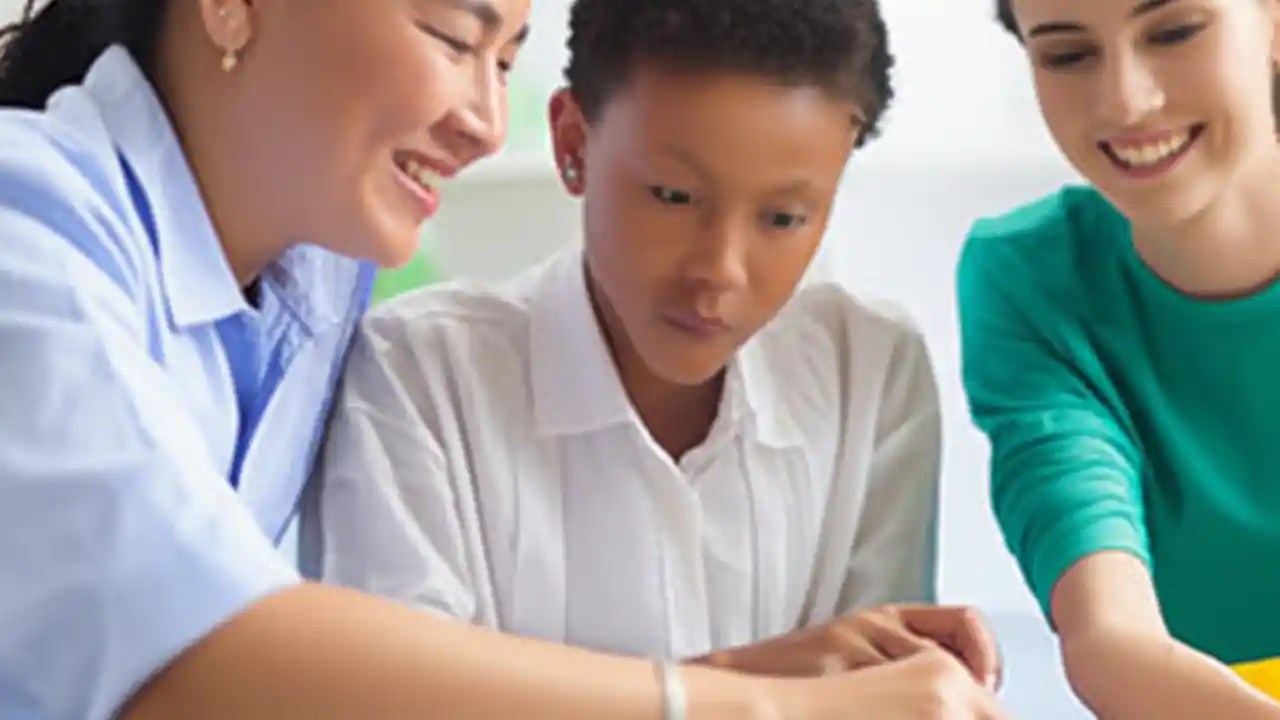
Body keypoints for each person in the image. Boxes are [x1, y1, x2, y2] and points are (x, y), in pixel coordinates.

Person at [0, 0, 1002, 717]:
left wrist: (748, 672)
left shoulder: (306, 287)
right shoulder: (25, 225)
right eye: (451, 37)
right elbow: (187, 662)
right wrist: (755, 706)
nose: (483, 124)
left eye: (505, 61)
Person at [306, 1, 1009, 717]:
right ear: (573, 142)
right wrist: (749, 683)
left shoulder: (871, 367)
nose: (721, 271)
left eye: (784, 218)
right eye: (673, 196)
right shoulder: (419, 373)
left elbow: (883, 698)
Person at [960, 0, 1280, 717]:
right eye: (1068, 55)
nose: (1126, 102)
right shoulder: (1031, 280)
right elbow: (1109, 640)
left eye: (1173, 32)